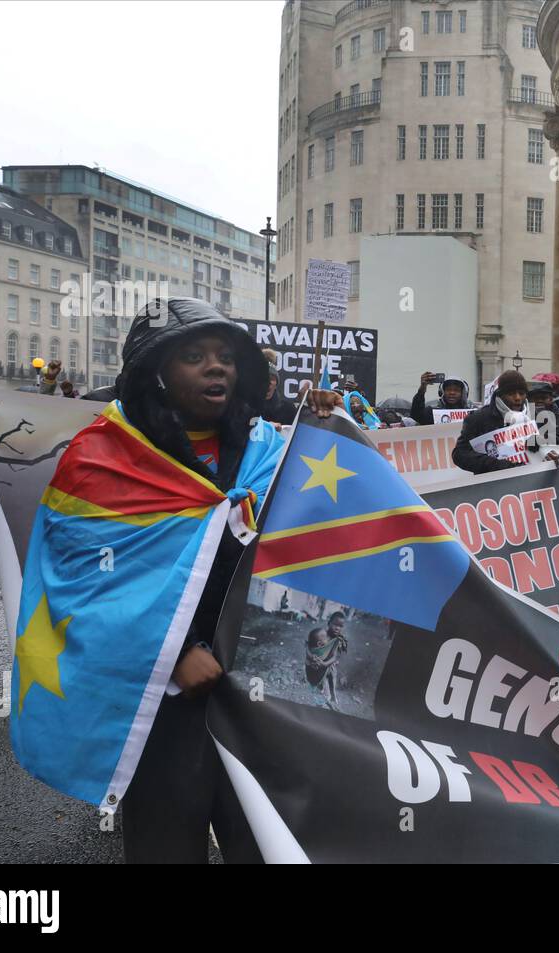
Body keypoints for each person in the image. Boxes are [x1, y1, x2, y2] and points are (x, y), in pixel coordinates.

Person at [35, 297, 337, 863]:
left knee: (269, 839)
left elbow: (337, 529)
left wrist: (326, 425)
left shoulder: (277, 449)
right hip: (160, 700)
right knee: (167, 841)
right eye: (194, 355)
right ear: (154, 373)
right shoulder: (97, 460)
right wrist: (171, 654)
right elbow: (77, 587)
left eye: (225, 356)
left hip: (259, 695)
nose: (216, 366)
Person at [453, 370, 559, 473]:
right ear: (501, 395)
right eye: (511, 394)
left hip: (530, 482)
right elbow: (459, 454)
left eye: (521, 393)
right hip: (493, 484)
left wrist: (548, 453)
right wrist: (496, 465)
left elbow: (544, 444)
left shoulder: (535, 415)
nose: (517, 398)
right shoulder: (478, 419)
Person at [305, 611, 348, 710]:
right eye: (335, 624)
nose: (337, 628)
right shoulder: (320, 635)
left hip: (327, 664)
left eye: (340, 626)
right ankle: (320, 703)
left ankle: (332, 696)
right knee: (319, 687)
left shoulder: (337, 640)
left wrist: (324, 664)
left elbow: (334, 657)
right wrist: (312, 657)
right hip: (316, 665)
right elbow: (308, 648)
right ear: (329, 623)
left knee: (332, 677)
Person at [260, 348, 297, 425]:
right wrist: (265, 426)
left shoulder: (288, 409)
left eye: (271, 378)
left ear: (276, 383)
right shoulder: (244, 408)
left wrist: (305, 410)